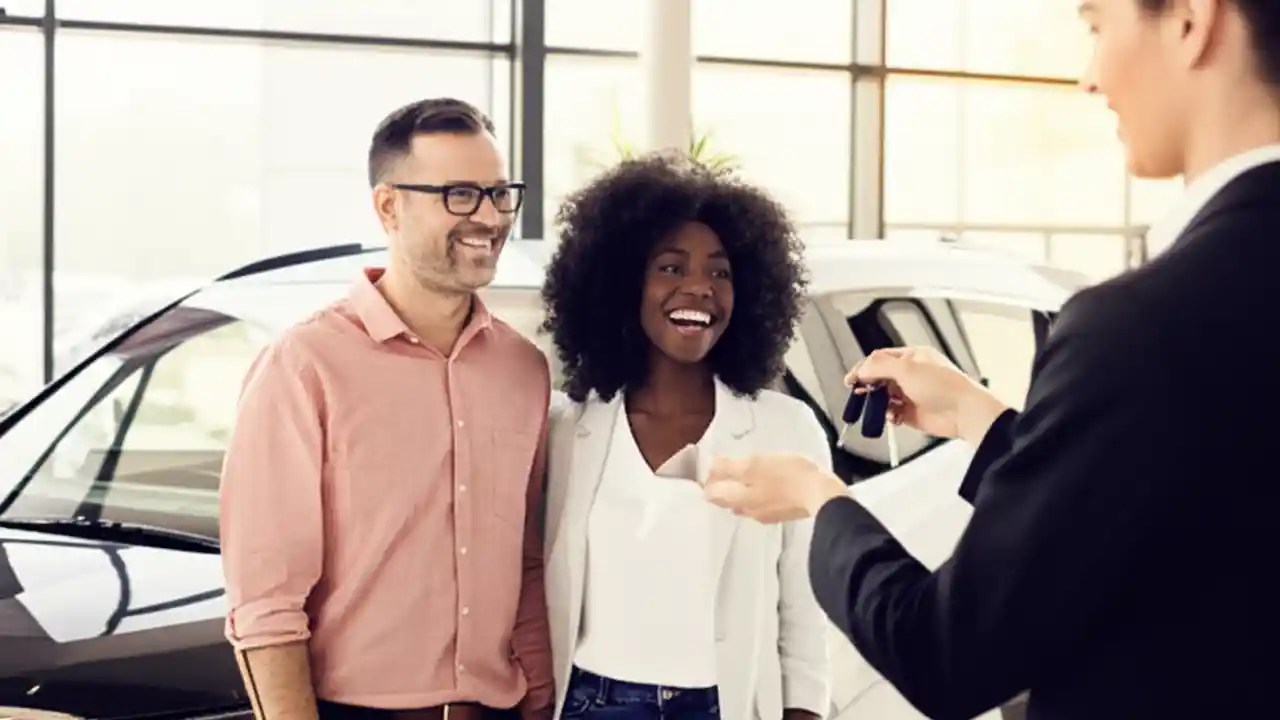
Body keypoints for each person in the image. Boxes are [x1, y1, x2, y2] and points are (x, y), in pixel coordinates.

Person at [703, 0, 1280, 718]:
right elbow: (1204, 511)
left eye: (1098, 28)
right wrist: (981, 419)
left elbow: (945, 654)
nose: (1089, 79)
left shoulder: (1136, 325)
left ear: (1191, 21)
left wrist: (821, 500)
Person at [219, 97, 554, 720]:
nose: (488, 216)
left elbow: (527, 564)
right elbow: (266, 603)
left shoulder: (523, 371)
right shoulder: (304, 365)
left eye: (499, 193)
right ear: (388, 207)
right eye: (459, 194)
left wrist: (539, 706)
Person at [537, 152, 831, 720]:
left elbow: (805, 602)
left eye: (720, 272)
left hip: (726, 705)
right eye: (671, 267)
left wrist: (805, 711)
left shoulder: (784, 428)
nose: (700, 288)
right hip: (594, 703)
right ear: (623, 284)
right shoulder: (567, 428)